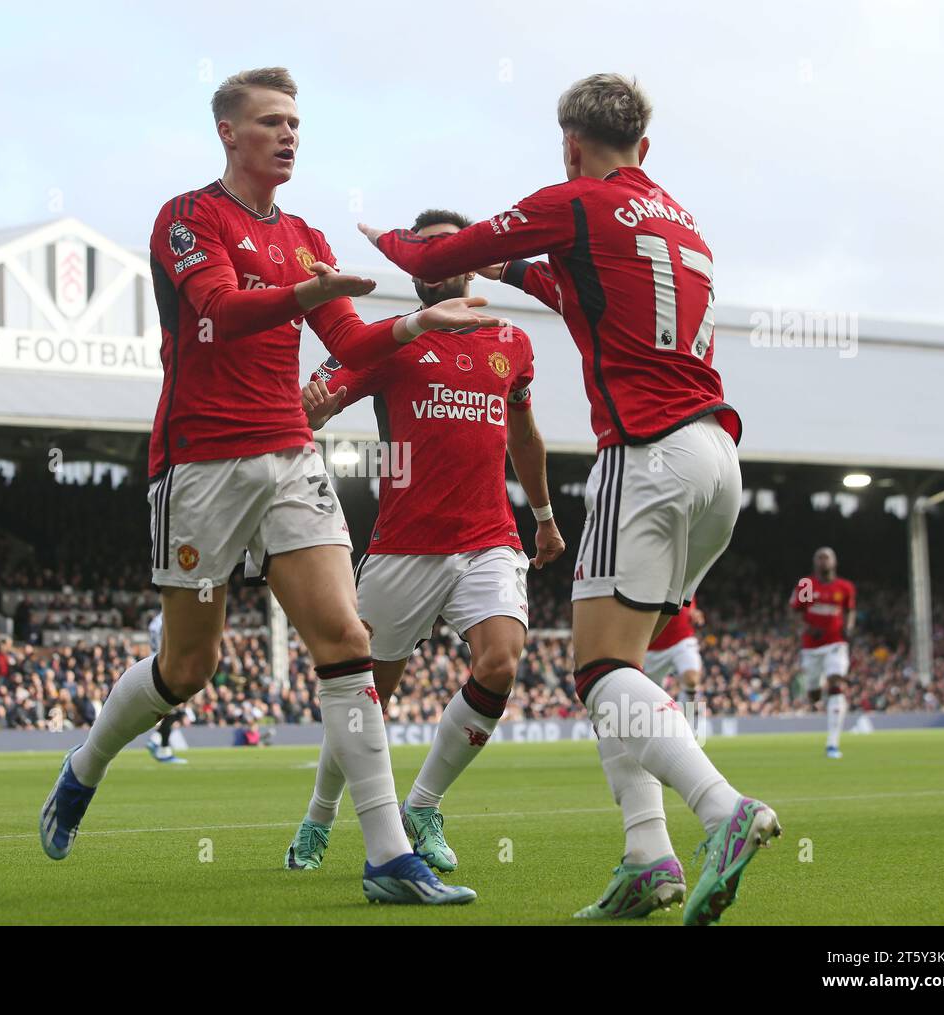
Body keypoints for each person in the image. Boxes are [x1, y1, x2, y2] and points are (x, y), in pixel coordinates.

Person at [41, 67, 498, 905]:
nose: (289, 135)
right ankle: (85, 766)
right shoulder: (188, 218)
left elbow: (351, 342)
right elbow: (214, 310)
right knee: (190, 664)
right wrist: (302, 292)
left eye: (296, 122)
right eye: (272, 122)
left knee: (346, 641)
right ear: (228, 132)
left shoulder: (303, 233)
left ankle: (389, 855)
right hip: (202, 462)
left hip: (289, 453)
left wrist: (417, 322)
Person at [361, 72, 780, 925]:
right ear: (646, 148)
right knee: (625, 668)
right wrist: (514, 262)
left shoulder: (580, 200)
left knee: (598, 670)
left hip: (649, 455)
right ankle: (644, 856)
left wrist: (398, 245)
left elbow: (445, 257)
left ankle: (723, 810)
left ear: (572, 148)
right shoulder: (680, 219)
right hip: (719, 459)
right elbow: (571, 293)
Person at [284, 208, 564, 873]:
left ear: (466, 259)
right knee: (362, 696)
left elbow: (523, 435)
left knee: (501, 661)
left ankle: (425, 804)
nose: (439, 260)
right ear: (413, 269)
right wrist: (310, 406)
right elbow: (313, 401)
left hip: (489, 537)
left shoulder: (511, 342)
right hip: (404, 547)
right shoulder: (389, 340)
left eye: (449, 249)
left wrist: (545, 514)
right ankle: (320, 813)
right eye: (426, 252)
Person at [790, 547, 855, 758]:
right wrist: (807, 628)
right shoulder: (807, 585)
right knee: (814, 693)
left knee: (836, 681)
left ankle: (832, 744)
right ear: (814, 563)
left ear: (834, 562)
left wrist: (850, 627)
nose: (823, 561)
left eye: (827, 557)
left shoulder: (844, 587)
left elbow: (850, 610)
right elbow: (796, 612)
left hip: (836, 643)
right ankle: (822, 700)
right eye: (819, 557)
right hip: (812, 646)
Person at [643, 599, 704, 709]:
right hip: (651, 646)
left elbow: (689, 591)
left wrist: (692, 610)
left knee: (691, 680)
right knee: (651, 695)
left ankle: (685, 717)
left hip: (681, 637)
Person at [144, 611, 186, 764]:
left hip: (154, 662)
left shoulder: (155, 621)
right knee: (176, 708)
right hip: (167, 664)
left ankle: (161, 746)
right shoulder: (169, 619)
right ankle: (158, 743)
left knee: (173, 710)